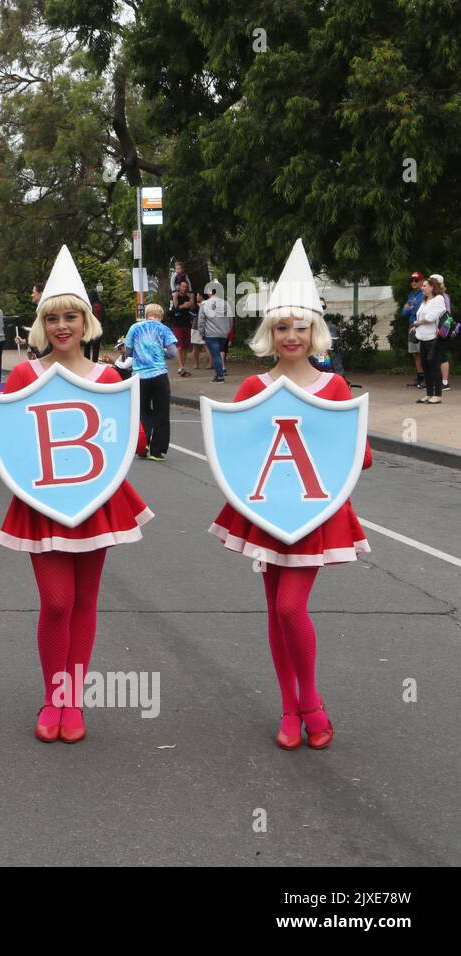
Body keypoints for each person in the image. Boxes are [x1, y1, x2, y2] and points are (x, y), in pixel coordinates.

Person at [208, 240, 370, 751]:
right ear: (269, 334)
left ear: (314, 332)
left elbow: (356, 457)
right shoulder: (254, 387)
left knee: (288, 608)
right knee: (274, 607)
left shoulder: (336, 388)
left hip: (314, 511)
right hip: (264, 509)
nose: (292, 335)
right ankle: (287, 708)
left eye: (301, 326)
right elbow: (230, 453)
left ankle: (312, 702)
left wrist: (350, 444)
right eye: (282, 326)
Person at [0, 246, 152, 743]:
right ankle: (52, 696)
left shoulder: (110, 377)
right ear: (42, 324)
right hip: (42, 502)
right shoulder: (25, 375)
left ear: (86, 322)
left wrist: (129, 421)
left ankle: (72, 700)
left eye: (71, 316)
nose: (62, 326)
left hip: (96, 501)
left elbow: (134, 441)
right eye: (53, 317)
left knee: (85, 600)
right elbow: (7, 438)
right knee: (57, 602)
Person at [123, 303, 179, 460]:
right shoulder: (163, 329)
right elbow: (173, 352)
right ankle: (157, 450)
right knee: (162, 411)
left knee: (142, 411)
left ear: (146, 314)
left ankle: (143, 443)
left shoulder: (134, 328)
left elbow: (128, 351)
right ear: (160, 316)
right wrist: (163, 353)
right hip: (159, 374)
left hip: (140, 376)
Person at [415, 274, 447, 404]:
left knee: (434, 365)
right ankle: (429, 394)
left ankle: (438, 395)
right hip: (422, 337)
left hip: (433, 338)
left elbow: (431, 317)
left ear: (432, 287)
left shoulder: (439, 299)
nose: (422, 288)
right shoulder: (424, 300)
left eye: (424, 286)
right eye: (422, 286)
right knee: (425, 365)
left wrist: (418, 323)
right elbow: (420, 316)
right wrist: (416, 325)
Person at [198, 283, 233, 382]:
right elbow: (230, 319)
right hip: (223, 334)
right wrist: (227, 330)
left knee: (215, 355)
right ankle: (220, 374)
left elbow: (201, 320)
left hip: (211, 334)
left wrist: (201, 332)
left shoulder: (205, 304)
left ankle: (220, 376)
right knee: (220, 352)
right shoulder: (226, 304)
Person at [403, 272, 425, 387]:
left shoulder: (425, 293)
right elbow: (404, 312)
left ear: (422, 281)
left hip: (422, 326)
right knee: (415, 353)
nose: (413, 283)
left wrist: (411, 307)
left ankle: (428, 377)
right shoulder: (411, 294)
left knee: (423, 352)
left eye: (416, 280)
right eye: (412, 280)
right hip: (412, 326)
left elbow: (418, 310)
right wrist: (410, 307)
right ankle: (420, 376)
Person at [169, 278, 194, 376]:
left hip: (187, 324)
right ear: (179, 286)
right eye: (183, 286)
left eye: (186, 287)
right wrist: (181, 306)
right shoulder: (174, 297)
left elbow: (193, 311)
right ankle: (180, 368)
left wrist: (191, 303)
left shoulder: (188, 297)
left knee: (185, 347)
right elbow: (170, 312)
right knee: (179, 346)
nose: (184, 288)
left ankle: (182, 368)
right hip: (177, 325)